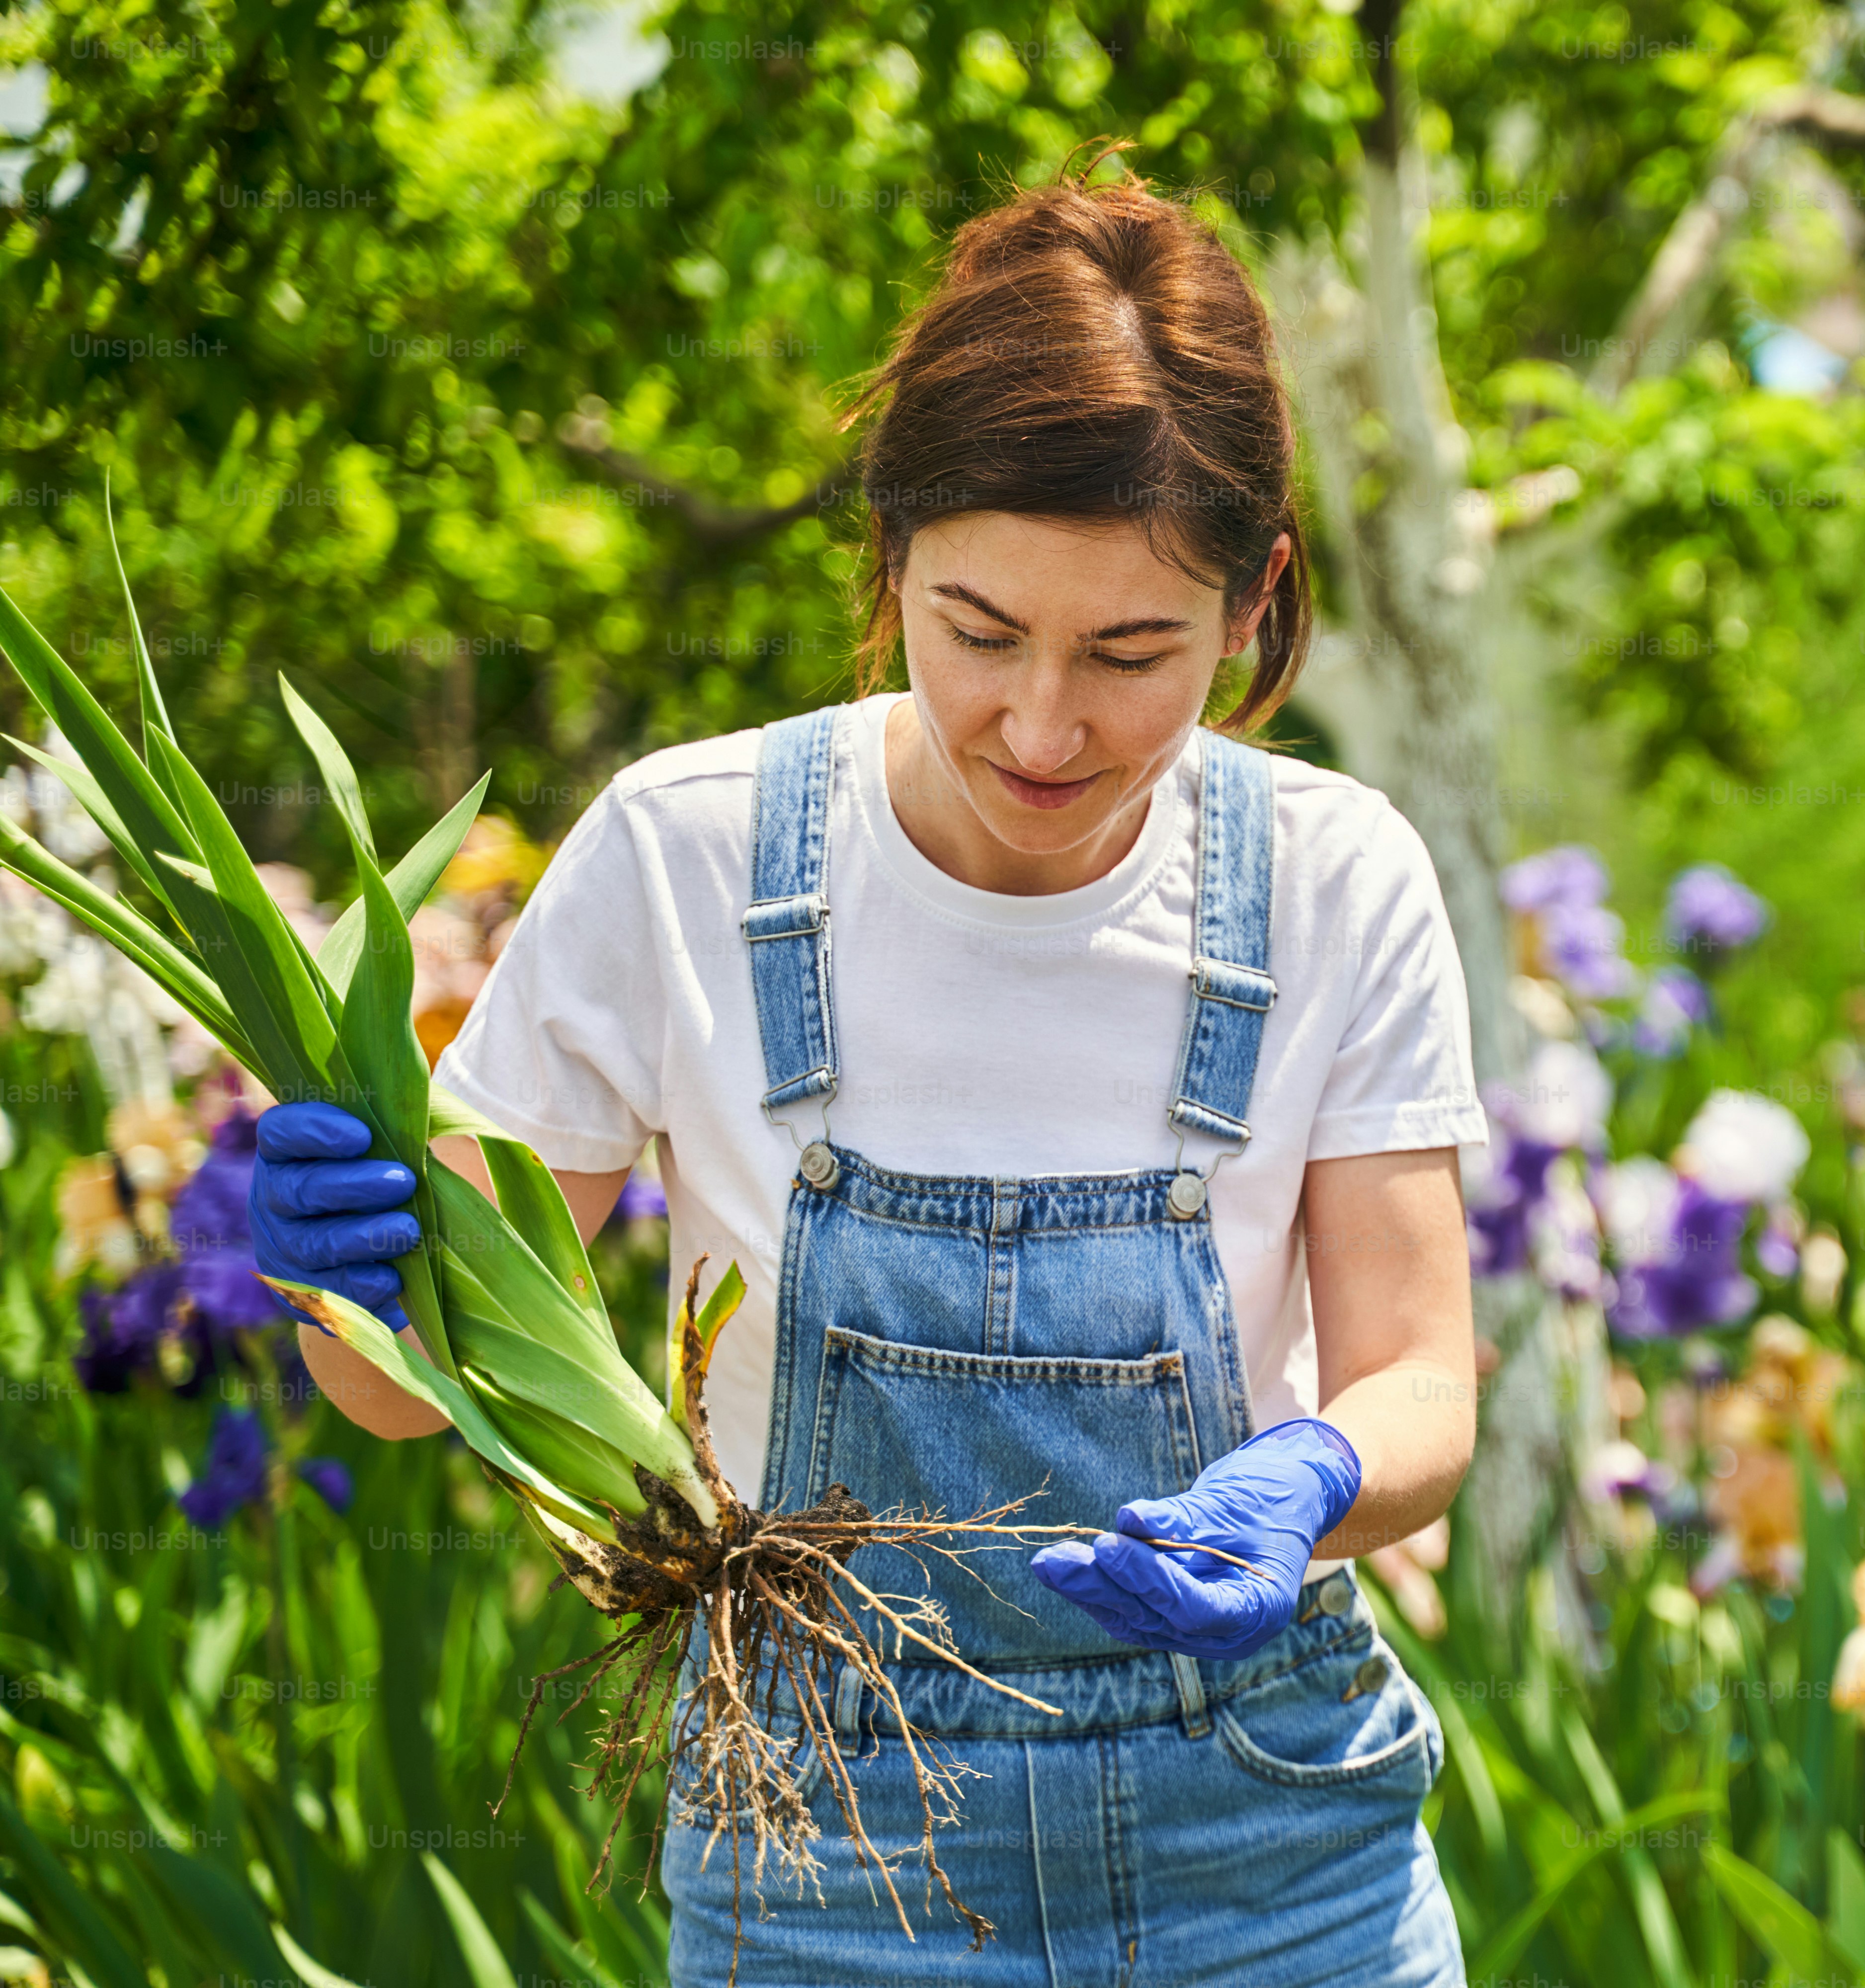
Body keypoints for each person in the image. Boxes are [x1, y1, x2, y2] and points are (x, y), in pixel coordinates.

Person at [247, 151, 1482, 1985]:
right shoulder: (684, 856)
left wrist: (1304, 1469)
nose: (1043, 724)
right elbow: (407, 1401)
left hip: (1275, 1858)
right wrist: (342, 1286)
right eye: (978, 631)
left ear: (1252, 604)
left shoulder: (1330, 875)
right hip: (834, 1864)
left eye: (1133, 652)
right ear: (892, 554)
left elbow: (1421, 1388)